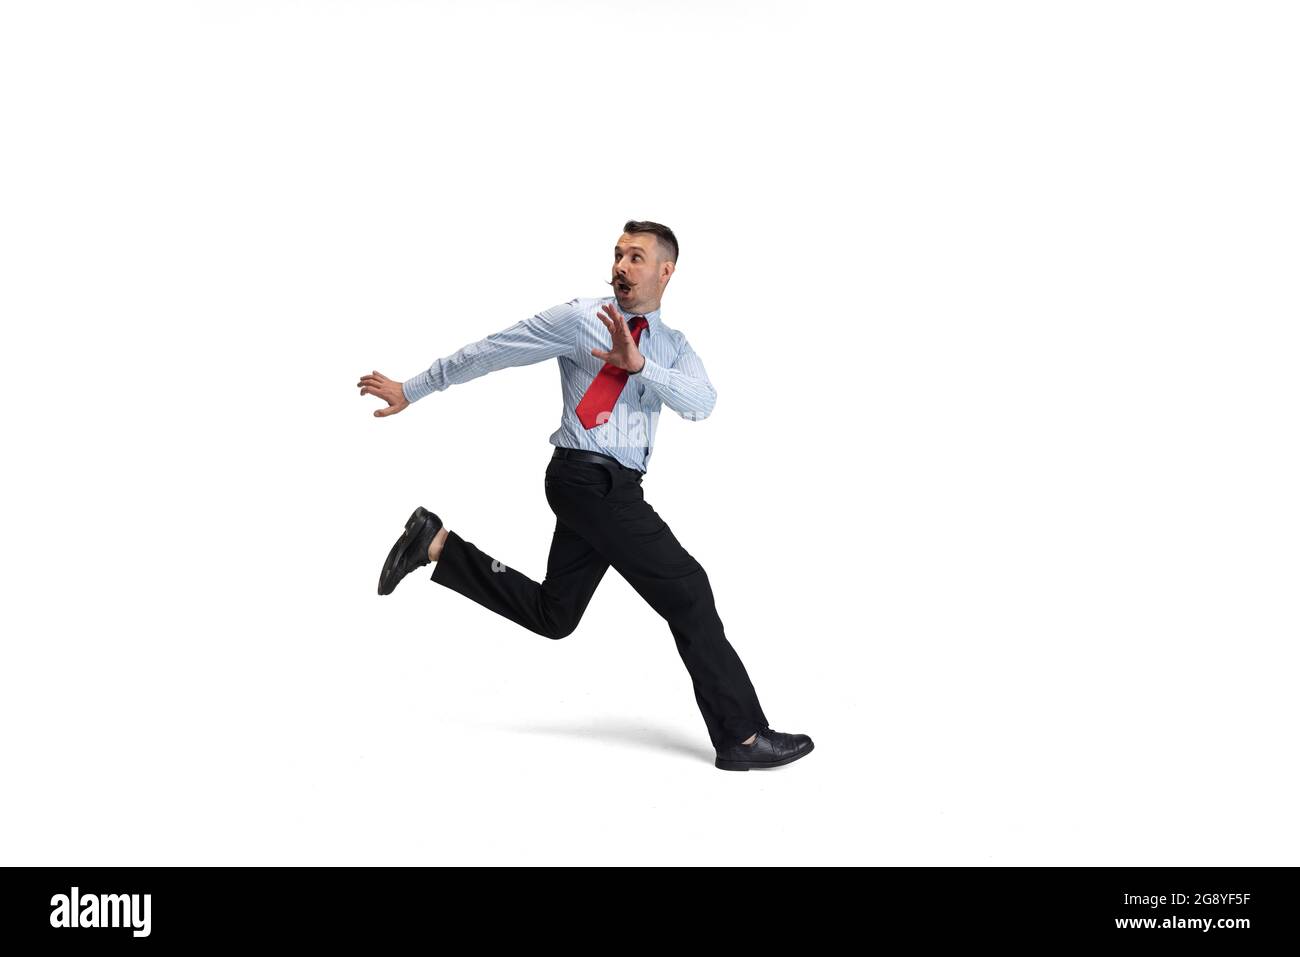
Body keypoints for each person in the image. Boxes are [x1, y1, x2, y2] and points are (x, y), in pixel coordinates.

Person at [357, 220, 813, 771]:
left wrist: (640, 365)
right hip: (585, 480)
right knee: (689, 591)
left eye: (637, 257)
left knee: (556, 614)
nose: (622, 266)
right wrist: (413, 388)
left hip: (615, 486)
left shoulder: (672, 346)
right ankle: (741, 738)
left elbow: (701, 403)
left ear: (666, 271)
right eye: (618, 255)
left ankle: (436, 544)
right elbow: (493, 350)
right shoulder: (582, 319)